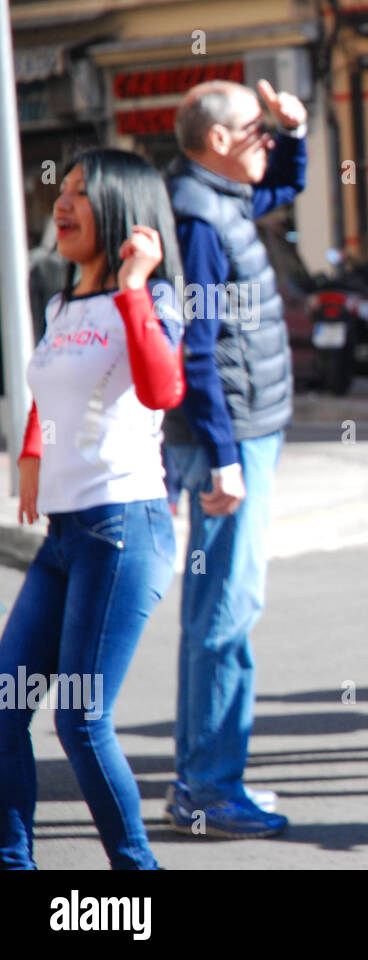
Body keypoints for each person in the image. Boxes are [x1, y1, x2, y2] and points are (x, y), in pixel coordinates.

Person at [0, 149, 185, 869]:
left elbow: (165, 388)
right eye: (63, 191)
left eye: (83, 193)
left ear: (124, 213)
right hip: (64, 535)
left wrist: (136, 286)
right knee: (7, 708)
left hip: (123, 527)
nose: (63, 202)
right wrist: (33, 455)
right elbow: (50, 390)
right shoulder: (60, 302)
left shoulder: (153, 301)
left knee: (79, 720)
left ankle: (136, 878)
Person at [161, 78, 307, 838]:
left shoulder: (221, 197)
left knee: (221, 609)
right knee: (224, 613)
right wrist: (222, 458)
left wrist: (294, 129)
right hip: (234, 438)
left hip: (250, 429)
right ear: (218, 141)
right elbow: (200, 346)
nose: (268, 142)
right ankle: (208, 790)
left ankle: (206, 781)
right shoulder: (200, 219)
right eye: (257, 130)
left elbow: (286, 180)